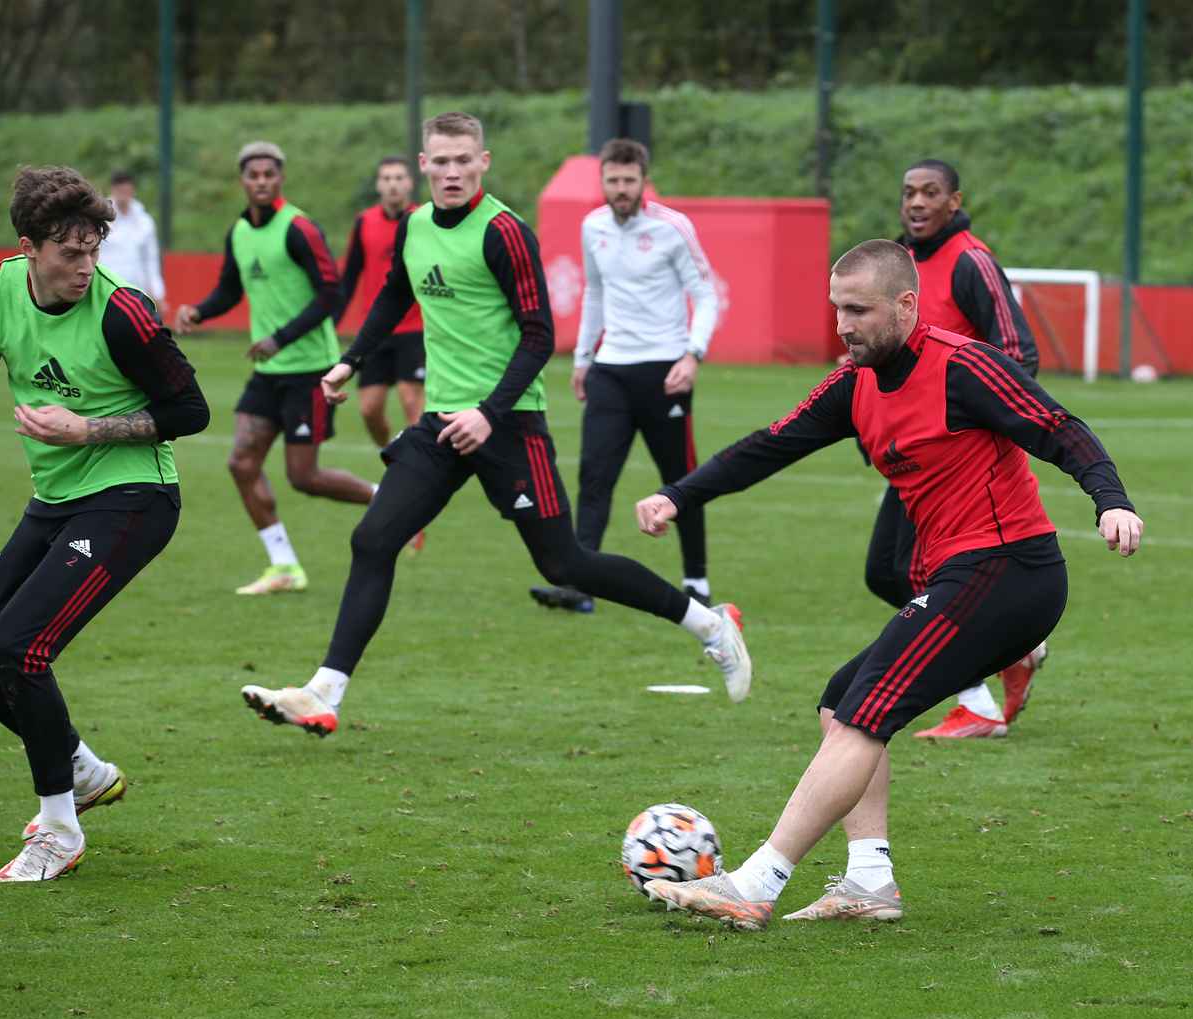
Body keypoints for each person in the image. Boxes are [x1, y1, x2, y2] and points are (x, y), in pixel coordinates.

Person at [634, 239, 1142, 929]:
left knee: (862, 714)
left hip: (1008, 569)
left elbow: (1059, 427)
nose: (842, 326)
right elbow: (768, 445)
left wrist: (1111, 500)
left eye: (859, 310)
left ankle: (755, 883)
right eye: (836, 309)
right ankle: (869, 881)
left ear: (906, 305)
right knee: (842, 700)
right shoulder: (854, 385)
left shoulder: (962, 366)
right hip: (968, 576)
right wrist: (677, 495)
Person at [239, 112, 751, 737]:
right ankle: (325, 692)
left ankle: (708, 624)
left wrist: (489, 413)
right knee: (372, 540)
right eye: (441, 161)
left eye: (464, 160)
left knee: (564, 565)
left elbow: (540, 336)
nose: (452, 172)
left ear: (483, 162)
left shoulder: (504, 232)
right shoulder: (414, 226)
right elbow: (395, 295)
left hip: (509, 423)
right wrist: (351, 361)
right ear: (424, 165)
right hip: (440, 423)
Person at [0, 166, 209, 882]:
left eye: (94, 249)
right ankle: (82, 769)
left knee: (19, 647)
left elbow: (190, 411)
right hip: (56, 500)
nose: (85, 266)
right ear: (29, 246)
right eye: (70, 252)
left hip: (134, 498)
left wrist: (88, 429)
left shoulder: (123, 313)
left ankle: (60, 830)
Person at [881, 159, 1049, 739]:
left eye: (930, 192)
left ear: (954, 202)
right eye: (909, 192)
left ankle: (976, 704)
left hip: (956, 460)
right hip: (912, 455)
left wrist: (971, 422)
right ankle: (1012, 652)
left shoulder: (971, 261)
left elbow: (1017, 353)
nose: (916, 202)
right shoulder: (899, 263)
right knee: (887, 572)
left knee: (916, 573)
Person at [174, 140, 376, 595]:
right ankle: (284, 566)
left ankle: (386, 499)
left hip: (310, 370)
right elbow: (230, 290)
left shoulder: (299, 229)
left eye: (269, 174)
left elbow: (331, 294)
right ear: (242, 181)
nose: (261, 182)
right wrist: (200, 312)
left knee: (304, 477)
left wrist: (279, 338)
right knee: (242, 463)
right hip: (268, 372)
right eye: (253, 175)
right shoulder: (239, 233)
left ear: (281, 178)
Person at [531, 137, 719, 614]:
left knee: (682, 479)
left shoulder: (673, 227)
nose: (620, 189)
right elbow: (594, 293)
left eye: (628, 181)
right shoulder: (592, 226)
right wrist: (582, 358)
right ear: (602, 182)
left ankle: (696, 579)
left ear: (643, 182)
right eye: (612, 180)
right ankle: (579, 584)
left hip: (665, 372)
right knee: (594, 477)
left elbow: (706, 295)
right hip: (610, 371)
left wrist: (692, 356)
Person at [338, 155, 427, 451]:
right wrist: (333, 320)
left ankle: (416, 463)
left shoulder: (423, 220)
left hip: (415, 328)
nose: (393, 185)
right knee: (369, 409)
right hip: (376, 330)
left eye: (399, 178)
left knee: (411, 401)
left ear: (410, 183)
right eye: (387, 178)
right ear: (378, 184)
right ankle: (390, 453)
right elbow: (350, 278)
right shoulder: (364, 222)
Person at [100, 170, 165, 310]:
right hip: (106, 290)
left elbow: (150, 260)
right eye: (120, 190)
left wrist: (158, 293)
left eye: (126, 190)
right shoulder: (101, 217)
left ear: (132, 190)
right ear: (113, 189)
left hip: (136, 292)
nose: (123, 194)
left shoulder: (144, 221)